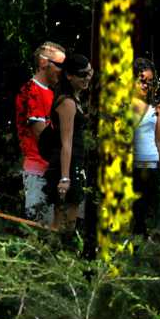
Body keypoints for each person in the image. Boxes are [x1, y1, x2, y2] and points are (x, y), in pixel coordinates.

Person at [14, 41, 64, 222]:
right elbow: (43, 137)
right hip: (38, 173)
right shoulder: (31, 91)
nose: (63, 71)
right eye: (59, 65)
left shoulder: (51, 93)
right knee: (41, 229)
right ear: (43, 63)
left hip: (53, 172)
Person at [48, 55, 94, 233]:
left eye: (89, 73)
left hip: (76, 163)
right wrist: (65, 178)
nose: (87, 78)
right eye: (82, 74)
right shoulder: (67, 102)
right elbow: (66, 142)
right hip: (67, 165)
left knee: (70, 222)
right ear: (69, 76)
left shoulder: (75, 98)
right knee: (61, 222)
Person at [129, 65, 160, 223]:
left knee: (154, 213)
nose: (146, 85)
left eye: (150, 82)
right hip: (132, 167)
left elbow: (159, 138)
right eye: (142, 81)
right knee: (136, 215)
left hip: (152, 164)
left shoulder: (156, 105)